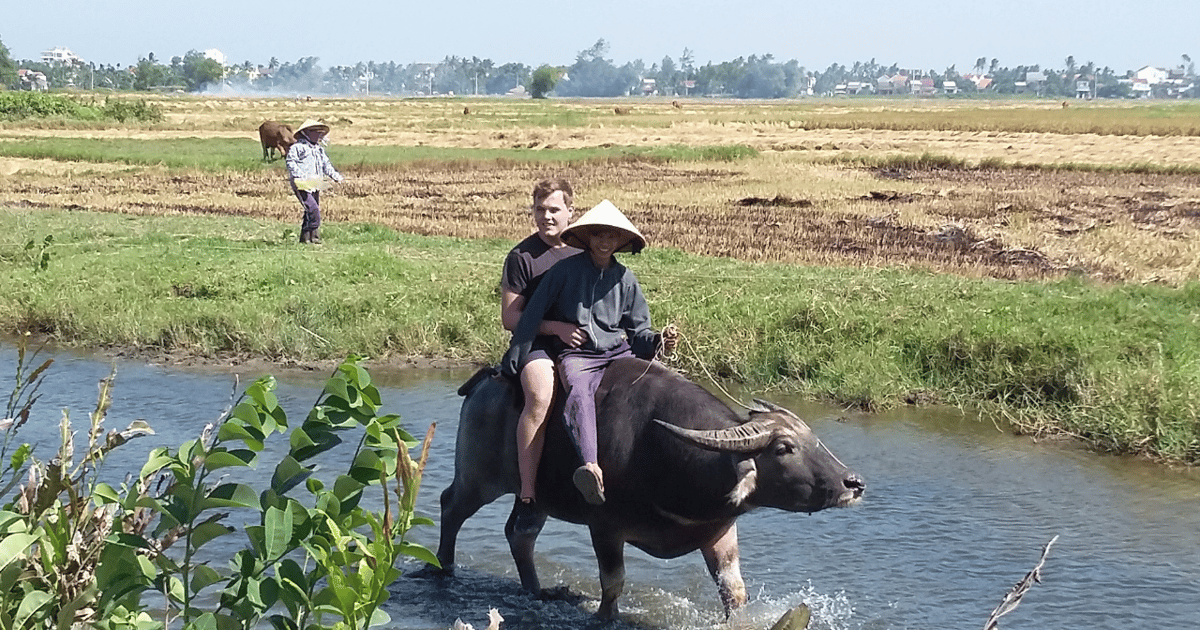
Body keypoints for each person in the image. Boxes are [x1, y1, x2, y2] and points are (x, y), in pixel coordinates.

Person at [502, 199, 678, 508]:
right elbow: (532, 313)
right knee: (580, 394)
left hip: (617, 351)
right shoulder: (563, 272)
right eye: (598, 235)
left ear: (622, 241)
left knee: (658, 386)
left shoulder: (626, 280)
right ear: (587, 238)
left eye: (612, 236)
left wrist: (659, 341)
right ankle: (591, 467)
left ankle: (659, 468)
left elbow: (639, 332)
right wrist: (518, 354)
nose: (605, 242)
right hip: (578, 355)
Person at [501, 179, 581, 534]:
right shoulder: (522, 257)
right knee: (540, 396)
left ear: (571, 211)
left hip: (581, 341)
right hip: (535, 342)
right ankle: (528, 494)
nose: (546, 217)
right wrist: (556, 329)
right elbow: (510, 318)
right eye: (539, 209)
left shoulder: (585, 250)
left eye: (554, 209)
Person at [285, 119, 344, 244]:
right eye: (315, 132)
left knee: (310, 211)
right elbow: (290, 162)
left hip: (315, 183)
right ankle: (310, 233)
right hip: (302, 184)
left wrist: (336, 176)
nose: (319, 135)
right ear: (306, 132)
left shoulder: (318, 149)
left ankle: (310, 239)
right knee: (313, 210)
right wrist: (300, 175)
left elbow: (326, 165)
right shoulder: (298, 147)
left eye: (320, 132)